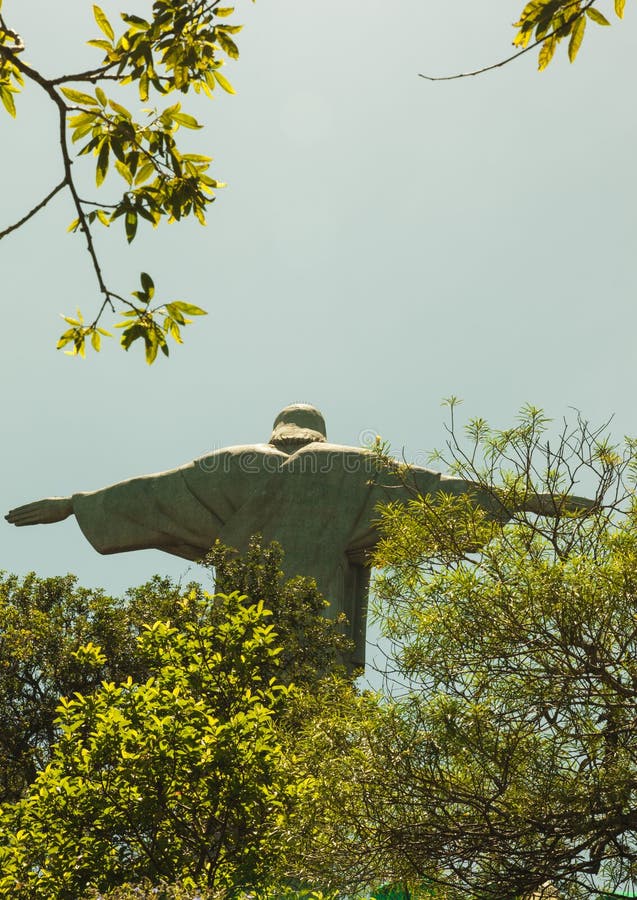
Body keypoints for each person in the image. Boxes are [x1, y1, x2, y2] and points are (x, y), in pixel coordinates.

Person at [5, 403, 592, 666]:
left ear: (279, 430)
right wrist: (525, 502)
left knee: (246, 702)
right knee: (318, 716)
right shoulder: (356, 464)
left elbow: (153, 493)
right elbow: (438, 492)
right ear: (318, 432)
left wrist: (75, 504)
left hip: (244, 618)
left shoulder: (231, 462)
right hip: (323, 617)